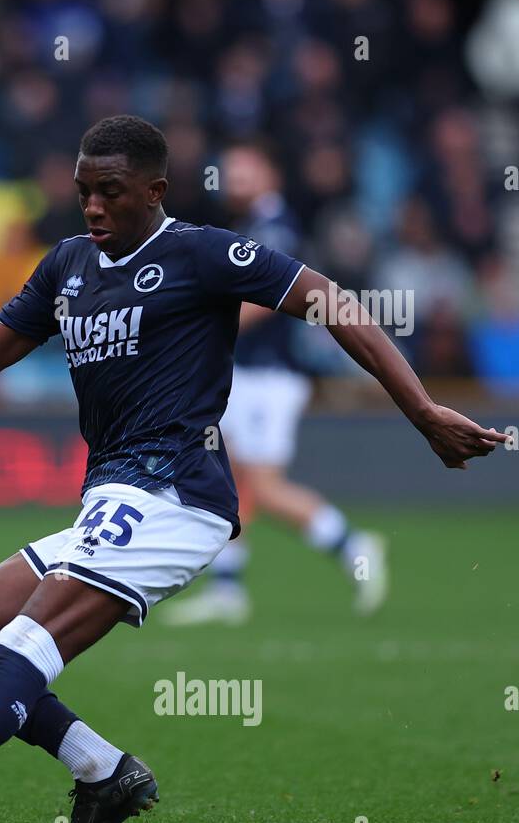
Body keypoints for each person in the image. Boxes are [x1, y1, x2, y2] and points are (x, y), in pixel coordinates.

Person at [0, 115, 504, 823]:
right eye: (85, 191)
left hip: (175, 496)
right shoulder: (68, 264)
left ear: (154, 190)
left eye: (110, 193)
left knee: (24, 641)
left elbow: (334, 303)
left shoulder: (202, 254)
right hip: (114, 494)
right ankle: (102, 769)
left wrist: (421, 409)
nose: (92, 207)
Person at [162, 141, 386, 626]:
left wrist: (200, 335)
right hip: (249, 375)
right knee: (233, 482)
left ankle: (352, 544)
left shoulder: (275, 228)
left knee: (259, 486)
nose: (233, 180)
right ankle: (228, 590)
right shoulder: (252, 228)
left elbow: (268, 301)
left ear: (270, 175)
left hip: (269, 377)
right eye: (228, 172)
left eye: (244, 170)